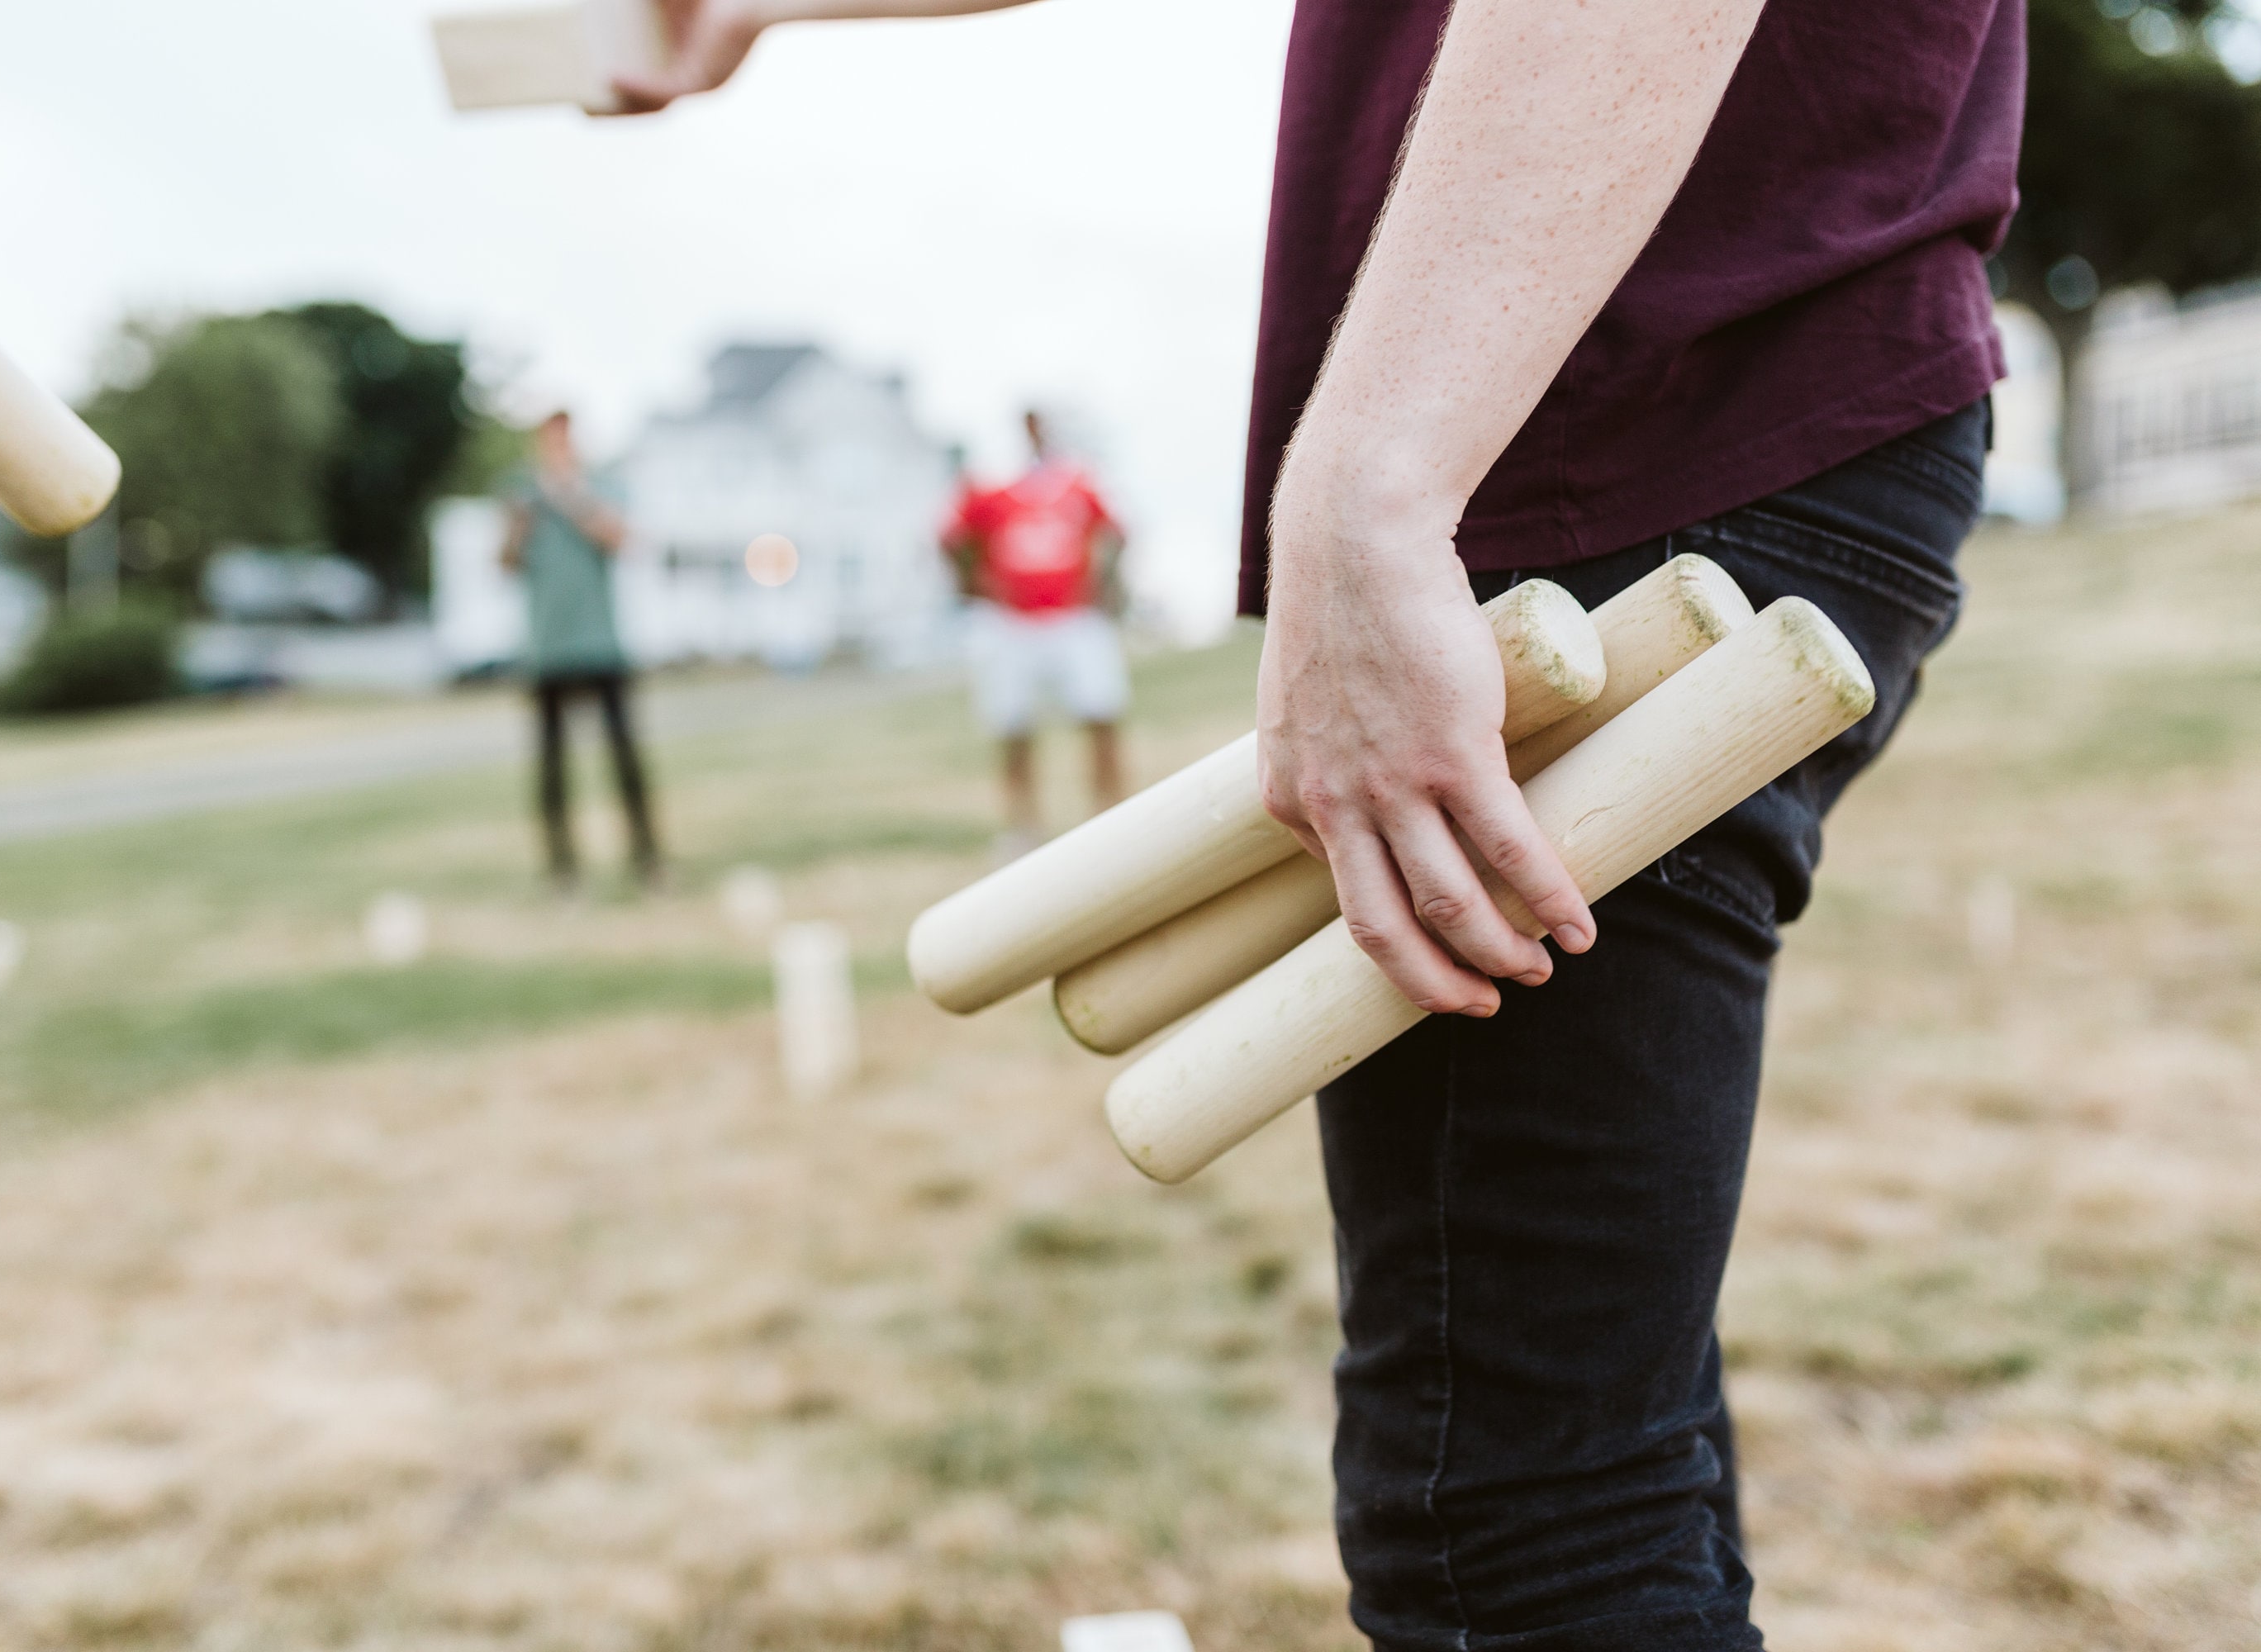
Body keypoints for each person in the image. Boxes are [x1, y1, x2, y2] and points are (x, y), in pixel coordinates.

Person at [620, 2, 2016, 1645]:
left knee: (1521, 1541)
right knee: (1571, 1472)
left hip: (1625, 426)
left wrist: (1372, 484)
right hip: (1715, 399)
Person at [940, 410, 1129, 854]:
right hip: (1012, 624)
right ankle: (1022, 826)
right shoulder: (989, 486)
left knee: (1101, 714)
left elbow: (1115, 532)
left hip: (1074, 617)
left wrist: (1103, 584)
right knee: (1014, 725)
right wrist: (972, 585)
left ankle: (1112, 815)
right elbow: (950, 538)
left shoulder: (1077, 481)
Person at [501, 411, 663, 891]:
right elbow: (505, 561)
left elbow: (619, 540)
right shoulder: (518, 491)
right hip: (546, 650)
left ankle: (648, 860)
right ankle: (562, 870)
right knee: (552, 770)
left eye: (565, 438)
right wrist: (523, 519)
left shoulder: (602, 487)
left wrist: (569, 498)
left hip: (601, 645)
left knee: (625, 760)